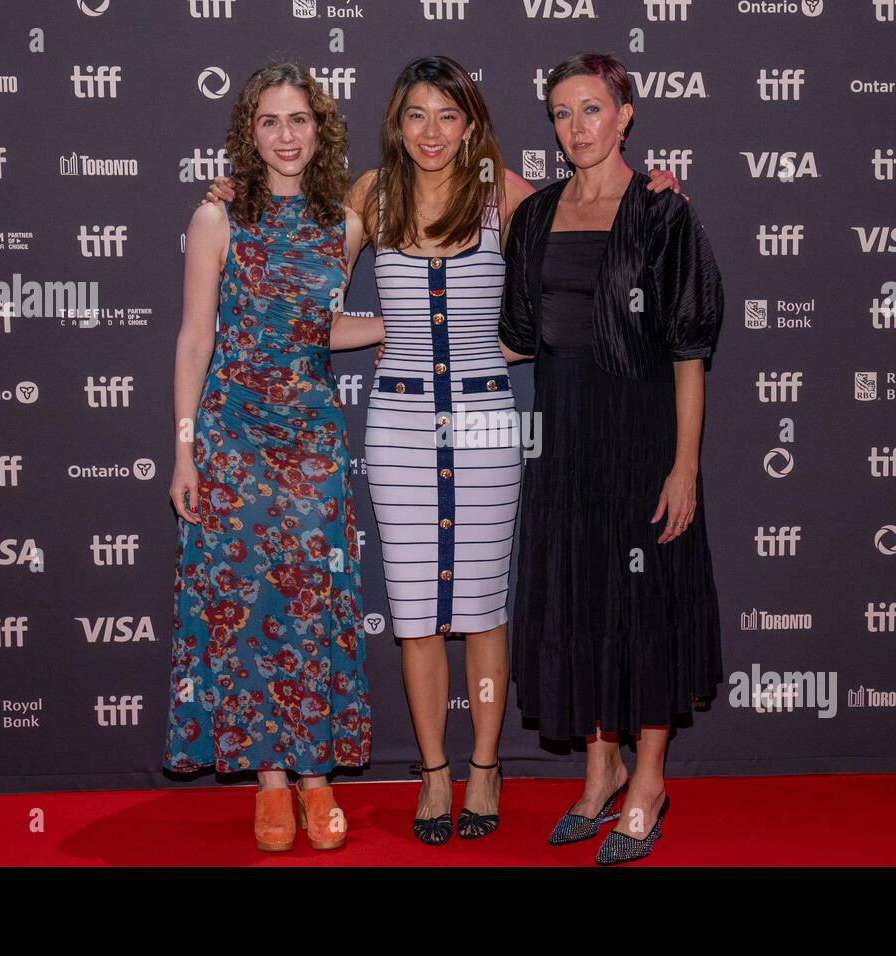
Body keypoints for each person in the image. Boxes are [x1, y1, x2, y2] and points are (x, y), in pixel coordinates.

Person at [204, 55, 681, 845]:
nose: (432, 132)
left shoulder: (506, 194)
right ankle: (433, 773)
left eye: (448, 116)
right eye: (417, 115)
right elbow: (304, 306)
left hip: (489, 422)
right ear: (398, 123)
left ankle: (485, 768)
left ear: (471, 123)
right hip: (395, 424)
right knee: (418, 614)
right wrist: (236, 205)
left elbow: (593, 225)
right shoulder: (370, 195)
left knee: (486, 607)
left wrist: (652, 194)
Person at [498, 52, 725, 865]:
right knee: (581, 602)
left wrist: (683, 466)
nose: (576, 128)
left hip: (642, 441)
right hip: (562, 444)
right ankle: (599, 772)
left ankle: (649, 781)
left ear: (625, 113)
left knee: (649, 607)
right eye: (561, 113)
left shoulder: (662, 212)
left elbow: (690, 349)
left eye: (591, 109)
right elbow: (521, 336)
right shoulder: (537, 214)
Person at [165, 61, 382, 854]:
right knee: (245, 607)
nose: (285, 135)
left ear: (320, 130)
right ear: (247, 135)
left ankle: (317, 770)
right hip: (232, 436)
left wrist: (389, 328)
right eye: (269, 121)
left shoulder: (346, 223)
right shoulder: (217, 218)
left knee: (313, 601)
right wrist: (185, 451)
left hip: (312, 439)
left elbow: (316, 330)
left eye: (299, 120)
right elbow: (197, 337)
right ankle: (270, 781)